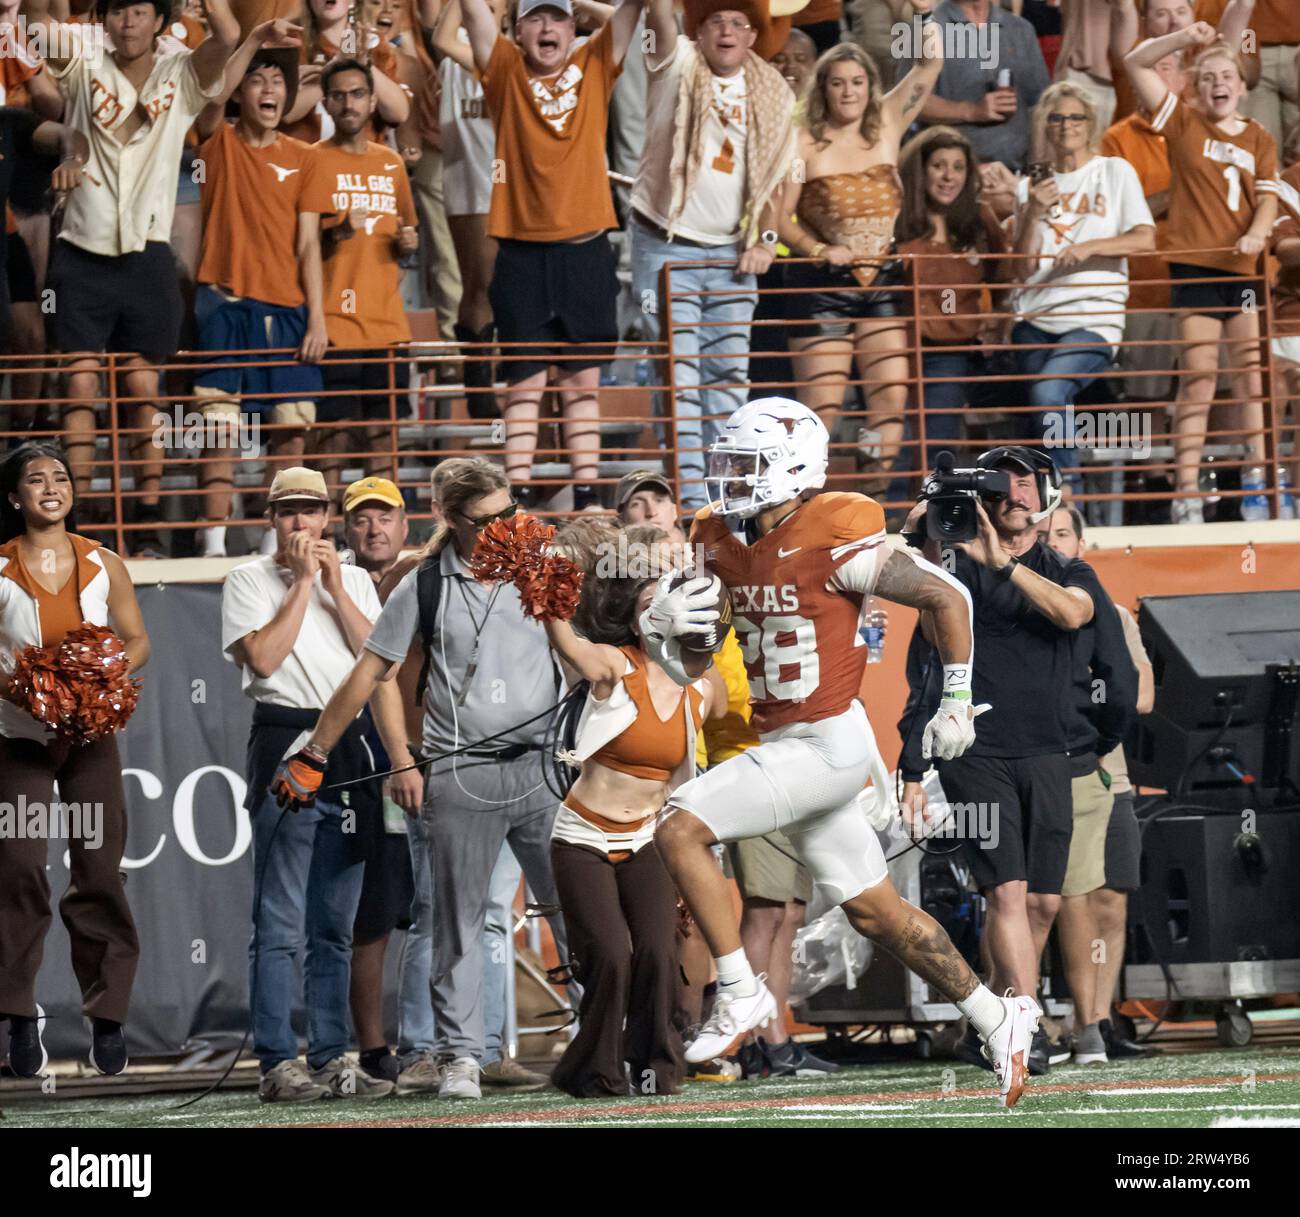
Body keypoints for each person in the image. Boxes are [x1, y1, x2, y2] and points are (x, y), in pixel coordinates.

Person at [647, 396, 1043, 1109]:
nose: (730, 477)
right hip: (783, 742)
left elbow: (946, 594)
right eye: (728, 462)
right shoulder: (717, 537)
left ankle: (738, 989)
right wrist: (670, 635)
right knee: (877, 912)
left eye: (747, 465)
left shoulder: (836, 524)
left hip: (827, 743)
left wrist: (956, 699)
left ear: (795, 468)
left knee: (678, 824)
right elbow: (702, 658)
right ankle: (998, 1015)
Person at [270, 457, 568, 1101]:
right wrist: (315, 751)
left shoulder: (545, 569)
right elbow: (370, 671)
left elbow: (589, 649)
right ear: (451, 519)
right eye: (488, 520)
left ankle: (603, 1034)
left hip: (545, 769)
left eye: (511, 513)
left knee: (577, 911)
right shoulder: (423, 585)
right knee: (456, 925)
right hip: (459, 774)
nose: (505, 528)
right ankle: (458, 1057)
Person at [898, 445, 1110, 1077]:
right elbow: (924, 660)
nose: (1015, 493)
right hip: (977, 750)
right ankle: (1024, 1022)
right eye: (1002, 483)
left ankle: (987, 1018)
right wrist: (927, 517)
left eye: (1025, 482)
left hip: (1049, 750)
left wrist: (1006, 565)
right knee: (1008, 893)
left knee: (1043, 902)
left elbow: (1074, 613)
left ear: (1044, 496)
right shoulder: (952, 572)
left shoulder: (1063, 567)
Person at [222, 465, 416, 1102]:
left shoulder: (355, 577)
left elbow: (379, 662)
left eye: (311, 510)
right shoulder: (247, 578)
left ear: (327, 517)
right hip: (285, 738)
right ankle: (279, 1061)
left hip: (352, 746)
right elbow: (266, 658)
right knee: (279, 918)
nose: (301, 523)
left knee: (335, 922)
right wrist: (303, 583)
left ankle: (334, 1057)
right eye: (288, 512)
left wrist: (333, 582)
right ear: (271, 518)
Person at [45, 0, 239, 556]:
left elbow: (227, 32)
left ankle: (148, 524)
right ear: (103, 19)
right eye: (117, 11)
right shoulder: (83, 61)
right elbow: (40, 27)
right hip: (79, 246)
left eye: (139, 10)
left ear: (159, 19)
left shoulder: (182, 71)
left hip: (149, 252)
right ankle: (73, 528)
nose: (127, 21)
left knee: (143, 388)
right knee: (79, 385)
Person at [541, 562, 725, 1096]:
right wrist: (542, 592)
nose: (656, 611)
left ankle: (654, 1070)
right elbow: (567, 643)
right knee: (611, 956)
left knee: (661, 953)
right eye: (647, 604)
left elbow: (722, 677)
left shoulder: (702, 689)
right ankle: (591, 1069)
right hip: (583, 835)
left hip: (649, 836)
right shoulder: (615, 666)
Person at [459, 0, 646, 507]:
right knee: (524, 386)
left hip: (585, 252)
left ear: (574, 27)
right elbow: (473, 12)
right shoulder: (503, 67)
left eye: (558, 18)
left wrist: (584, 6)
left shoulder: (596, 62)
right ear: (518, 30)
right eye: (535, 17)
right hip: (520, 256)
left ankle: (587, 497)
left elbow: (634, 11)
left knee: (582, 385)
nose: (547, 27)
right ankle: (514, 499)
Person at [0, 442, 149, 1079]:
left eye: (60, 476)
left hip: (89, 740)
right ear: (15, 498)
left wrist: (105, 675)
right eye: (35, 479)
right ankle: (15, 1012)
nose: (51, 486)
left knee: (98, 868)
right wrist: (22, 685)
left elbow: (137, 639)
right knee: (20, 866)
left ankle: (108, 1014)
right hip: (18, 743)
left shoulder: (103, 562)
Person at [630, 0, 795, 515]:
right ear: (697, 31)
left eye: (738, 22)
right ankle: (682, 499)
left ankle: (724, 499)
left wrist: (766, 239)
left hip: (731, 251)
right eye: (715, 21)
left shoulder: (775, 89)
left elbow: (781, 175)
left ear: (752, 36)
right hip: (663, 242)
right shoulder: (677, 59)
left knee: (728, 377)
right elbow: (658, 18)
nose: (727, 30)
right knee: (677, 376)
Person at [1126, 22, 1281, 522]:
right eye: (1208, 74)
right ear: (1195, 83)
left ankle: (1259, 482)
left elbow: (1267, 199)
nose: (1218, 83)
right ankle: (1186, 490)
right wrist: (1183, 38)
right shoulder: (1182, 122)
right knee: (1198, 378)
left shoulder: (1259, 137)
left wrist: (1258, 233)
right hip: (1194, 266)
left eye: (1227, 75)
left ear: (1241, 84)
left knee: (1250, 380)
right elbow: (1135, 62)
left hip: (1241, 269)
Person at [777, 35, 944, 488]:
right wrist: (817, 249)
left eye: (857, 82)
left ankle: (874, 502)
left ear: (871, 86)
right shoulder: (802, 142)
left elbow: (930, 62)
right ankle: (807, 505)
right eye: (837, 83)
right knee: (822, 412)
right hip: (822, 285)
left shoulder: (888, 122)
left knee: (888, 402)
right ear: (822, 89)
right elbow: (778, 217)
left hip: (883, 278)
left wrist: (924, 15)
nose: (848, 92)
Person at [190, 21, 329, 558]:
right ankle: (213, 546)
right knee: (219, 431)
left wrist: (317, 317)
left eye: (277, 81)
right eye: (257, 81)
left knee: (290, 435)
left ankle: (280, 547)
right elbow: (208, 99)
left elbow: (308, 245)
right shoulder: (216, 141)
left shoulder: (305, 156)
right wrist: (250, 40)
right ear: (241, 92)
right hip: (224, 304)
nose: (269, 90)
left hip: (288, 311)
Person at [1042, 503, 1155, 1062]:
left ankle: (1103, 1021)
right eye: (1046, 534)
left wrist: (1086, 702)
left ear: (1080, 544)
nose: (1054, 542)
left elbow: (1142, 695)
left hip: (1113, 773)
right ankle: (1076, 1019)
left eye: (1063, 534)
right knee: (1066, 898)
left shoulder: (1114, 615)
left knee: (1112, 899)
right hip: (1058, 769)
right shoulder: (1027, 612)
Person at [1007, 81, 1155, 488]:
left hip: (1093, 315)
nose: (1066, 125)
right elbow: (1019, 268)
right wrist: (1033, 211)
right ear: (1045, 126)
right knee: (1038, 415)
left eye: (1075, 117)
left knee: (1048, 394)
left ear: (1091, 125)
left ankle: (1065, 494)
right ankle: (1043, 512)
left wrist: (1091, 247)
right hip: (1035, 316)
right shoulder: (1029, 186)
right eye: (1056, 118)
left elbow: (1145, 238)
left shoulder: (1113, 171)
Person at [306, 57, 420, 489]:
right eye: (338, 95)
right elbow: (300, 244)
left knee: (383, 436)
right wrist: (338, 230)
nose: (348, 103)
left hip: (387, 326)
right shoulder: (311, 160)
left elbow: (408, 231)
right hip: (333, 326)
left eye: (357, 94)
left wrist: (409, 245)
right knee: (331, 436)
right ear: (326, 104)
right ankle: (330, 526)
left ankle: (380, 523)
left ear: (373, 101)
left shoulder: (391, 163)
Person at [893, 125, 1008, 482]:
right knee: (899, 438)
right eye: (939, 165)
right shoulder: (898, 221)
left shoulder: (979, 218)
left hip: (961, 352)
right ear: (920, 170)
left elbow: (1004, 278)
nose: (949, 176)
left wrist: (995, 324)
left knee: (939, 440)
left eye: (958, 167)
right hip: (906, 348)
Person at [434, 0, 507, 419]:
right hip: (469, 183)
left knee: (503, 291)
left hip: (511, 186)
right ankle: (479, 388)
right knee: (479, 284)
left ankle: (496, 378)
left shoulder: (512, 53)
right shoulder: (458, 48)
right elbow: (440, 37)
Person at [918, 0, 1051, 173]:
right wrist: (972, 111)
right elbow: (910, 102)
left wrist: (1038, 176)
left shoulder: (1021, 29)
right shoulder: (926, 29)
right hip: (956, 180)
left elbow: (1041, 108)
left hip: (1016, 176)